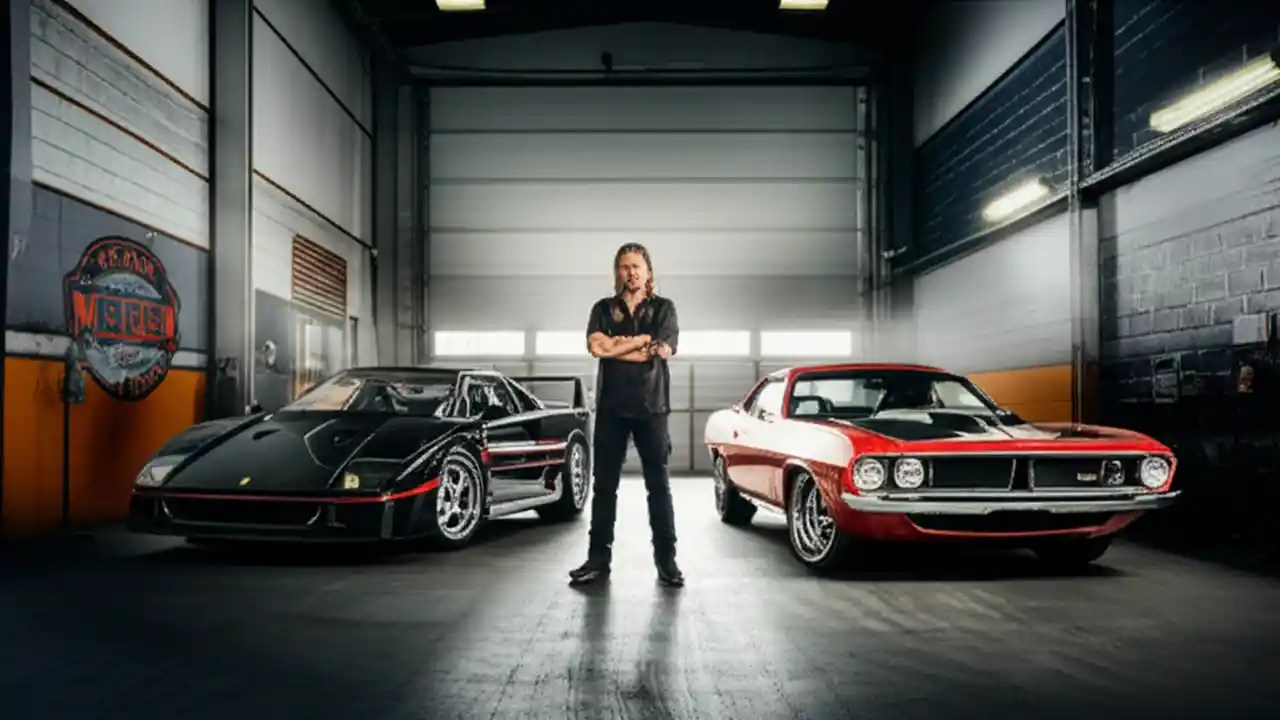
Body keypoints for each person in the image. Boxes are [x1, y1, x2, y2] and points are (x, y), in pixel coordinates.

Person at [568, 242, 684, 587]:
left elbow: (660, 351)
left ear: (648, 271)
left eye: (636, 266)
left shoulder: (664, 308)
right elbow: (595, 347)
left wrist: (615, 346)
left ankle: (667, 561)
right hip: (611, 409)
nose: (630, 272)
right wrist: (639, 341)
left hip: (652, 408)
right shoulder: (603, 308)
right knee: (604, 487)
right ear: (617, 271)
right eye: (624, 266)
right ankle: (597, 560)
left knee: (658, 487)